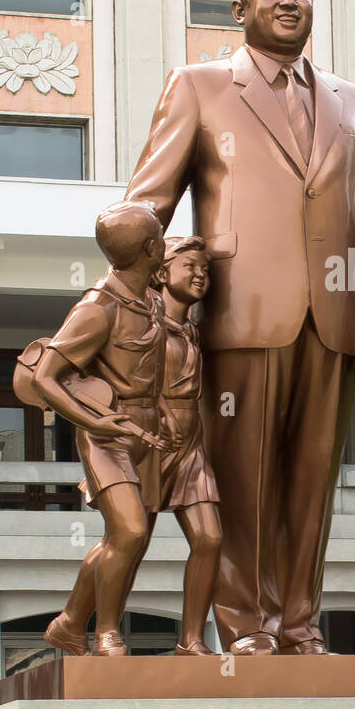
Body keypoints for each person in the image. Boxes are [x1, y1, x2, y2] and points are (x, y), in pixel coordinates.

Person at [124, 0, 355, 655]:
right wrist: (127, 265)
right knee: (242, 480)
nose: (290, 2)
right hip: (242, 312)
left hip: (333, 319)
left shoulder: (350, 101)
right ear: (240, 10)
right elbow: (149, 198)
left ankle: (298, 624)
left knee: (309, 485)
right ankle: (246, 627)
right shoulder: (200, 87)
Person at [29, 201, 174, 658]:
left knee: (130, 538)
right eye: (161, 238)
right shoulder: (97, 309)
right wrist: (93, 421)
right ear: (151, 248)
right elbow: (43, 377)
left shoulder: (150, 300)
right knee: (129, 532)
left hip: (147, 433)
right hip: (105, 435)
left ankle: (70, 623)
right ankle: (106, 632)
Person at [153, 235, 222, 657]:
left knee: (210, 538)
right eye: (190, 267)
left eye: (205, 269)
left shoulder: (195, 330)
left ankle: (191, 639)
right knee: (126, 543)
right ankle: (75, 622)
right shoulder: (139, 322)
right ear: (161, 274)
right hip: (148, 443)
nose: (200, 275)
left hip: (190, 446)